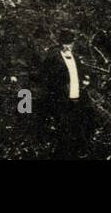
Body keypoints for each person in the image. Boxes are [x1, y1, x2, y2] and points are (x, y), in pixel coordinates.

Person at [38, 29, 94, 159]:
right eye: (65, 43)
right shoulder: (53, 59)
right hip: (61, 100)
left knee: (78, 128)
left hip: (76, 98)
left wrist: (85, 81)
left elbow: (81, 74)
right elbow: (47, 79)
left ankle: (77, 152)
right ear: (60, 44)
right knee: (63, 131)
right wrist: (60, 87)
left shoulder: (76, 58)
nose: (67, 46)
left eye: (70, 43)